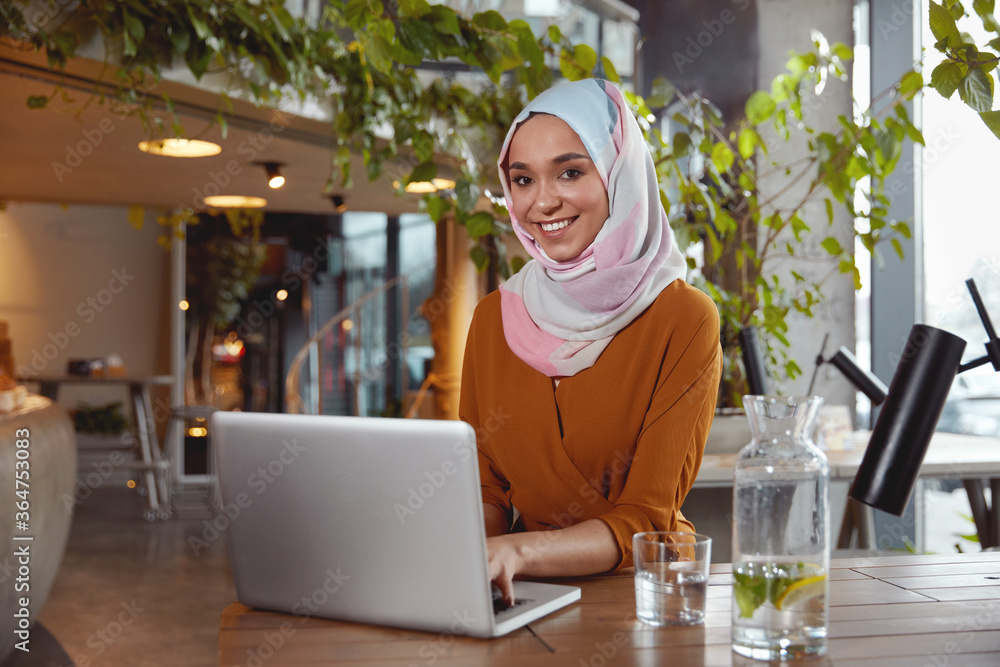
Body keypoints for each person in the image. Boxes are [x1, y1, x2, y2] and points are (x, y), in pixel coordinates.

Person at [459, 78, 722, 606]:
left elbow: (649, 520)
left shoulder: (684, 318)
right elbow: (484, 491)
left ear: (618, 174)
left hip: (648, 601)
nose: (542, 202)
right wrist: (474, 563)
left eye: (570, 172)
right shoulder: (494, 318)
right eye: (523, 179)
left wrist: (521, 552)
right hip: (519, 596)